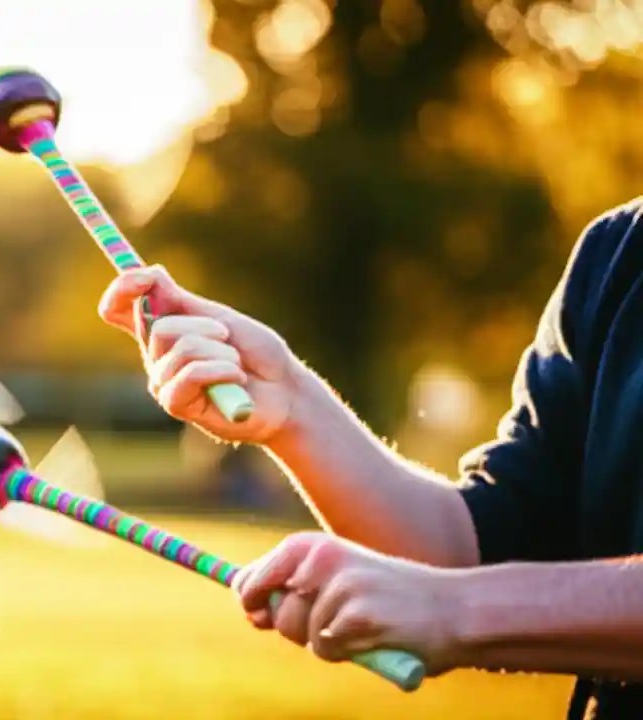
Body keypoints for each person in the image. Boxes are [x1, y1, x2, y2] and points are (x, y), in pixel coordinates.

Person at [97, 199, 643, 719]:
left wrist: (451, 609)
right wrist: (292, 406)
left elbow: (457, 592)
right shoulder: (619, 252)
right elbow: (475, 552)